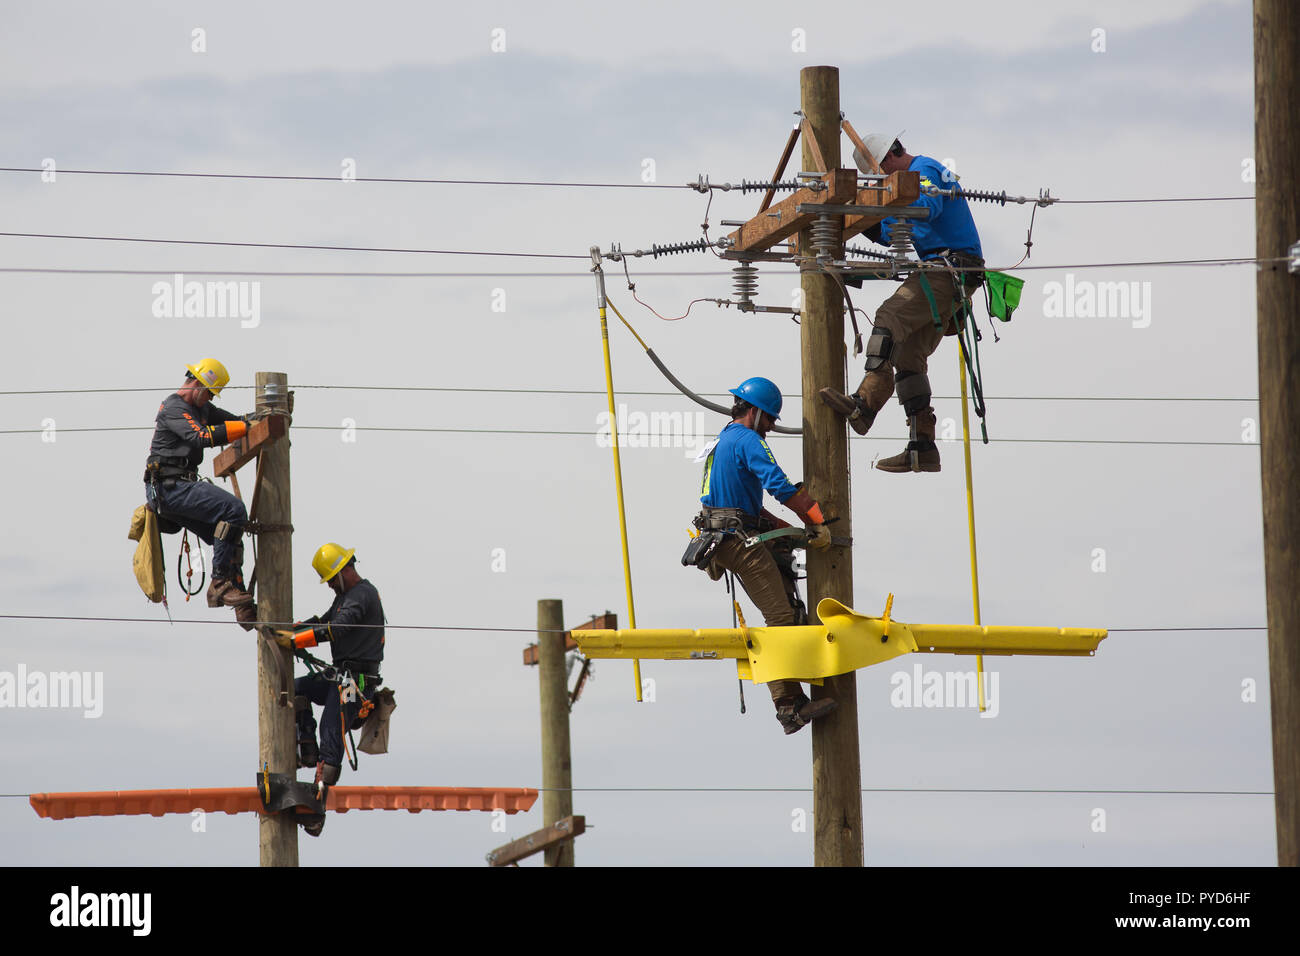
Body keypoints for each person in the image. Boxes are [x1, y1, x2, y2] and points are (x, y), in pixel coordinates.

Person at [820, 133, 985, 473]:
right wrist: (855, 214)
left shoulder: (926, 170)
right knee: (909, 354)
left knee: (889, 316)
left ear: (888, 160)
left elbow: (926, 205)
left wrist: (883, 203)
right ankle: (922, 446)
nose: (883, 184)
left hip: (951, 268)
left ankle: (865, 404)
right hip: (940, 271)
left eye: (881, 177)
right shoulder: (910, 182)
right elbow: (886, 233)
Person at [690, 377, 837, 735]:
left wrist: (794, 533)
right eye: (769, 419)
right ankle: (788, 708)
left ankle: (794, 693)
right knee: (779, 620)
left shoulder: (725, 439)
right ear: (754, 413)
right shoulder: (748, 440)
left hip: (728, 534)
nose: (771, 427)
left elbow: (749, 508)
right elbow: (778, 485)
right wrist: (815, 518)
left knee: (785, 603)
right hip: (737, 541)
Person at [273, 543, 385, 832]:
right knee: (296, 689)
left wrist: (298, 640)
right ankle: (308, 748)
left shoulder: (362, 594)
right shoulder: (345, 597)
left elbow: (337, 628)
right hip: (340, 678)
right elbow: (324, 622)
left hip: (354, 684)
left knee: (331, 728)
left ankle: (317, 805)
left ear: (346, 570)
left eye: (333, 580)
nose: (332, 586)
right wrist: (293, 630)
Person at [143, 358, 259, 627]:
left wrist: (258, 420)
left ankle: (238, 598)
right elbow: (202, 437)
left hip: (179, 488)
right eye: (207, 392)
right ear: (196, 383)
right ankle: (219, 583)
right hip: (169, 488)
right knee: (233, 510)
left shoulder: (203, 408)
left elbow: (235, 422)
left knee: (230, 532)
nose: (208, 398)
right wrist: (245, 427)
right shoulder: (173, 407)